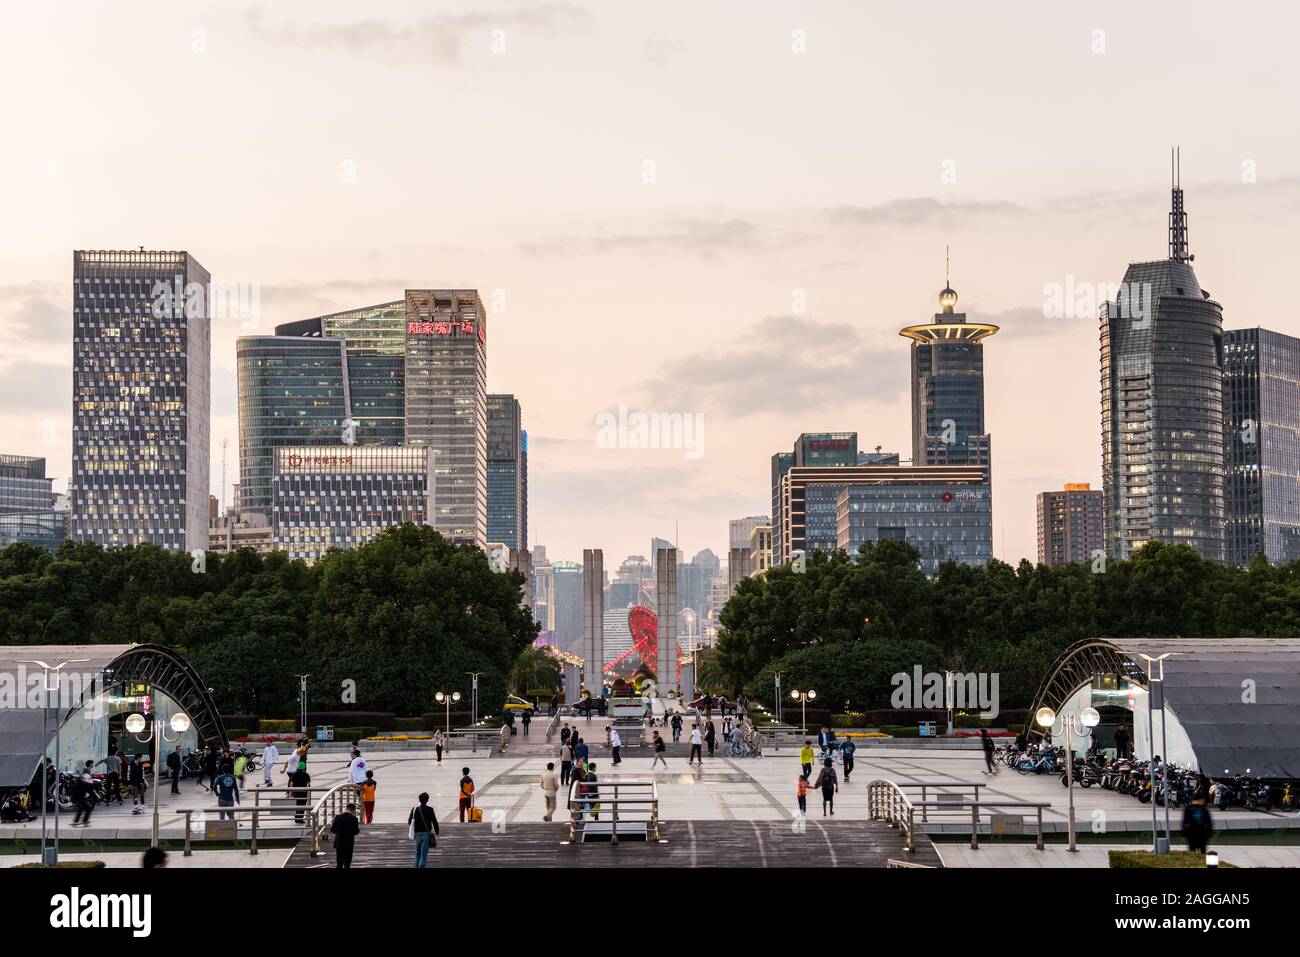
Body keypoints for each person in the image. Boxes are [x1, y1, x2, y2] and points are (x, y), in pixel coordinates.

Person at [409, 792, 439, 868]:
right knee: (424, 854)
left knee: (418, 853)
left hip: (417, 834)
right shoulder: (430, 809)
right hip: (426, 834)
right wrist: (437, 832)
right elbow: (434, 822)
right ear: (427, 800)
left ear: (419, 800)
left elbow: (409, 821)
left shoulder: (414, 809)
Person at [331, 802, 361, 868]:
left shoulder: (338, 817)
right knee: (347, 863)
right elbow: (356, 832)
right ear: (353, 810)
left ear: (346, 809)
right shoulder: (354, 819)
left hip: (339, 842)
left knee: (339, 863)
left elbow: (332, 830)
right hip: (349, 843)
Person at [72, 760, 96, 827]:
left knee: (83, 808)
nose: (93, 764)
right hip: (79, 793)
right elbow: (84, 780)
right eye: (92, 763)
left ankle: (78, 821)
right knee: (86, 808)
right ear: (90, 764)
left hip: (80, 792)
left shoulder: (87, 771)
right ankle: (82, 821)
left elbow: (85, 781)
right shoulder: (86, 771)